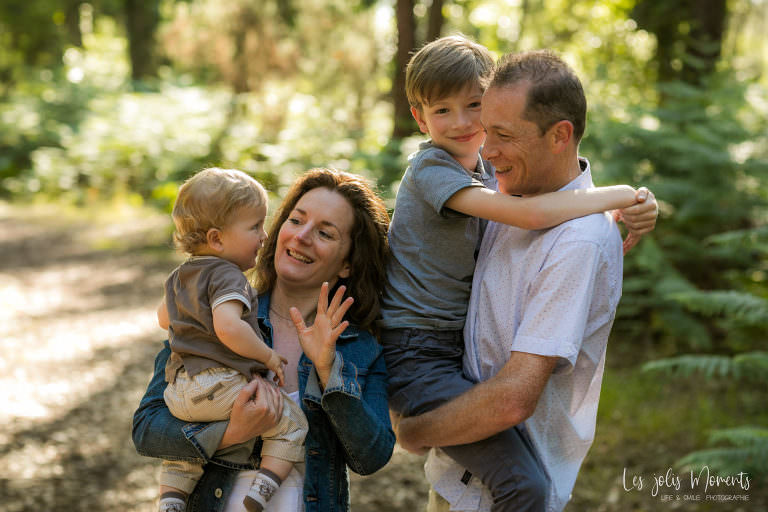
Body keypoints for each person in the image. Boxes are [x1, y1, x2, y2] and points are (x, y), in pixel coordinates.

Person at [380, 36, 656, 511]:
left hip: (480, 457)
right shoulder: (458, 175)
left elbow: (565, 242)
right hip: (425, 369)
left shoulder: (570, 231)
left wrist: (624, 208)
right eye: (446, 111)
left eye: (489, 123)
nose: (478, 136)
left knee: (524, 488)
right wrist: (622, 196)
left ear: (559, 135)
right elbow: (534, 218)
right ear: (420, 117)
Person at [133, 168, 395, 512]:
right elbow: (147, 429)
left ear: (347, 263)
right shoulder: (218, 313)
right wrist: (231, 433)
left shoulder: (359, 346)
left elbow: (371, 457)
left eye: (325, 233)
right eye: (296, 220)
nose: (301, 237)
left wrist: (329, 370)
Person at [154, 168, 309, 512]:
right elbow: (228, 327)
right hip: (217, 381)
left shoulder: (180, 275)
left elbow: (165, 319)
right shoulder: (228, 275)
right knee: (291, 421)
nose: (264, 236)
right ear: (217, 239)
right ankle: (263, 489)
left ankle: (171, 500)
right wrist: (268, 357)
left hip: (179, 390)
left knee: (191, 445)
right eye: (254, 227)